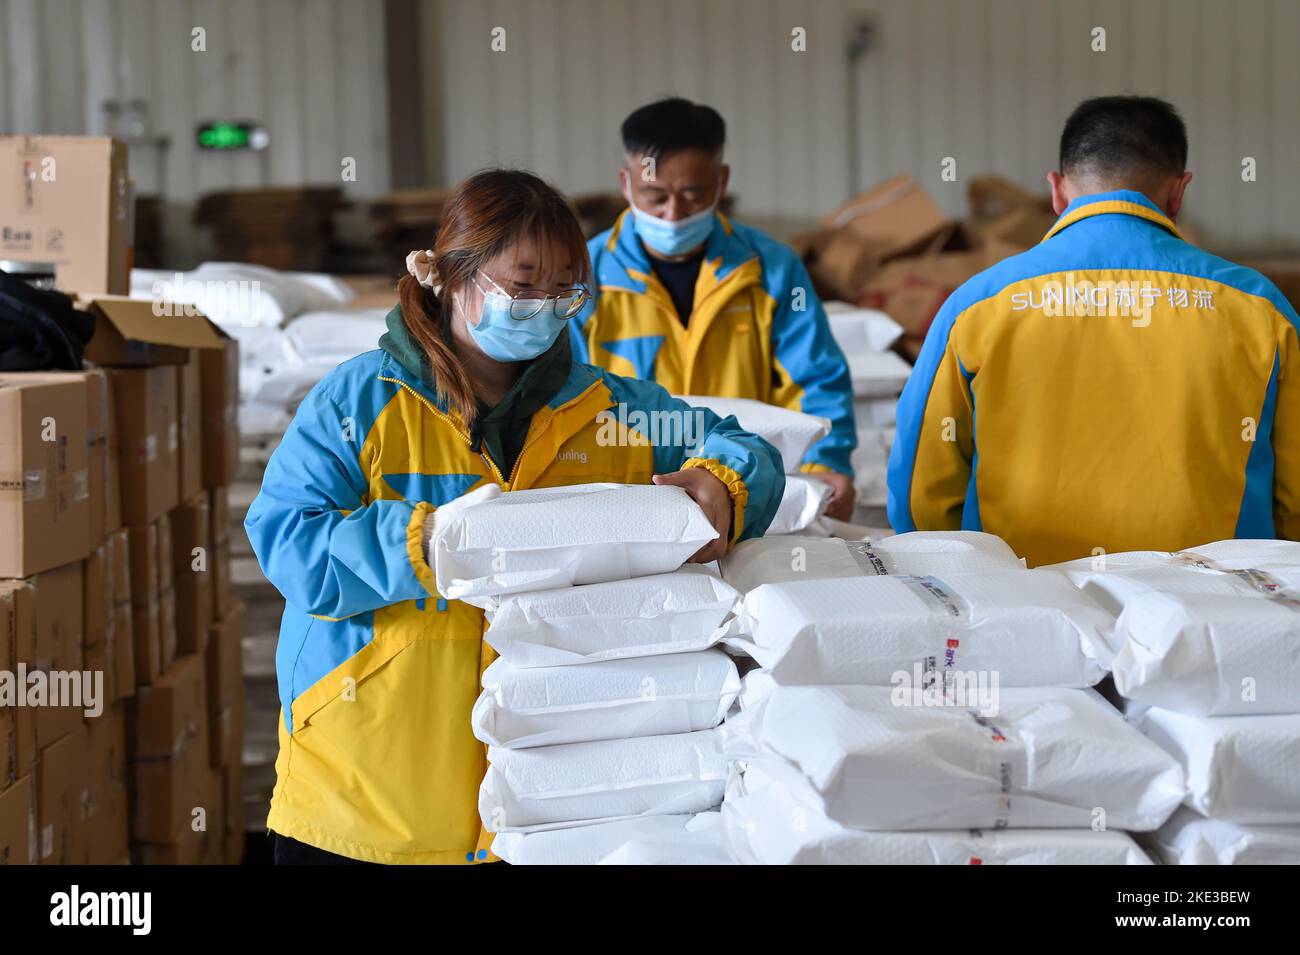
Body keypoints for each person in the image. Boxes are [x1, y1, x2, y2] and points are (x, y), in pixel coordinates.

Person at [244, 169, 783, 864]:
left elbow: (745, 447)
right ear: (447, 276)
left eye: (564, 288)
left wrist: (725, 483)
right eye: (522, 286)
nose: (545, 306)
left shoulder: (608, 414)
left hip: (546, 817)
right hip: (366, 800)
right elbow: (288, 538)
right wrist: (425, 545)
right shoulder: (361, 403)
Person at [888, 95, 1300, 567]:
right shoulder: (1260, 308)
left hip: (1026, 605)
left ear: (1057, 190)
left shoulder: (978, 305)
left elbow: (923, 485)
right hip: (1217, 609)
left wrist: (960, 578)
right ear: (1178, 192)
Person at [573, 98, 858, 519]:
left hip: (746, 488)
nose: (673, 214)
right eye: (655, 196)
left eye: (692, 195)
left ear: (722, 182)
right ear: (626, 183)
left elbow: (816, 377)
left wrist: (825, 463)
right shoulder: (583, 276)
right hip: (627, 492)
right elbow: (565, 395)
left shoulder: (770, 269)